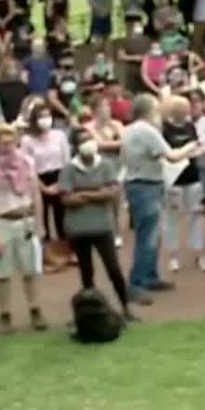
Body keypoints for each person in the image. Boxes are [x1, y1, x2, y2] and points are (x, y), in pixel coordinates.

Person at [122, 94, 201, 304]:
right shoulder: (147, 131)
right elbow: (172, 156)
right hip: (146, 184)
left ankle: (149, 276)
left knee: (151, 235)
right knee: (147, 237)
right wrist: (191, 147)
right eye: (156, 109)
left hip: (141, 183)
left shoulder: (129, 130)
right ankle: (136, 283)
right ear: (148, 110)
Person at [0, 123, 48, 333]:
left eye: (11, 141)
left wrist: (40, 224)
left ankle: (35, 310)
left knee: (30, 270)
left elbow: (35, 194)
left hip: (25, 220)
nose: (9, 146)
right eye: (3, 142)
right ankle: (5, 315)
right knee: (2, 273)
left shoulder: (26, 162)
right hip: (2, 222)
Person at [60, 128, 136, 321]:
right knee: (86, 272)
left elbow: (111, 193)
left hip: (102, 226)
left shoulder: (106, 164)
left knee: (114, 269)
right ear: (76, 146)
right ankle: (89, 313)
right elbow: (67, 199)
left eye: (90, 139)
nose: (88, 144)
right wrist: (97, 192)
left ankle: (126, 307)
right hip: (78, 229)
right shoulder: (69, 169)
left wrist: (83, 193)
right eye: (83, 140)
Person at [161, 96, 205, 273]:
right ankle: (173, 256)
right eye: (182, 108)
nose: (186, 111)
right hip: (174, 179)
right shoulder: (164, 128)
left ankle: (199, 253)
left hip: (192, 176)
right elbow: (166, 153)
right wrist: (185, 152)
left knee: (195, 215)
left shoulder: (190, 127)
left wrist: (196, 150)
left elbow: (195, 146)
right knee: (171, 217)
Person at [20, 103, 71, 245]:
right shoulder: (27, 140)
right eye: (41, 116)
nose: (46, 119)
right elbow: (27, 167)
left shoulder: (59, 135)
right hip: (38, 180)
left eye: (48, 115)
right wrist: (43, 188)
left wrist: (60, 183)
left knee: (62, 218)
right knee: (41, 219)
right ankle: (46, 254)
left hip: (59, 178)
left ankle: (66, 250)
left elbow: (66, 161)